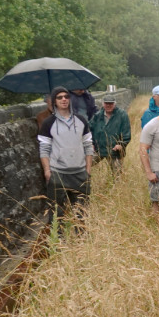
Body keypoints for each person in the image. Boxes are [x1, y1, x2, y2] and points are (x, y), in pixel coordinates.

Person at [38, 86, 94, 219]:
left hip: (80, 173)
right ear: (54, 101)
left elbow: (88, 145)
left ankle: (81, 239)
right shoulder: (48, 123)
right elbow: (44, 149)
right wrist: (47, 171)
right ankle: (60, 239)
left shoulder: (81, 120)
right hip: (58, 173)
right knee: (57, 214)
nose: (64, 99)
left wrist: (88, 170)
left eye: (66, 96)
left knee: (82, 213)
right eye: (59, 97)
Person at [90, 94, 131, 176]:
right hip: (98, 149)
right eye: (106, 103)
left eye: (111, 103)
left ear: (114, 104)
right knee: (84, 166)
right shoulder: (97, 115)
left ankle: (117, 189)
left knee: (117, 175)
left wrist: (121, 144)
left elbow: (126, 132)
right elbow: (89, 129)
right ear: (102, 104)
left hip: (114, 150)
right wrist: (91, 143)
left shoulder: (122, 115)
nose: (108, 105)